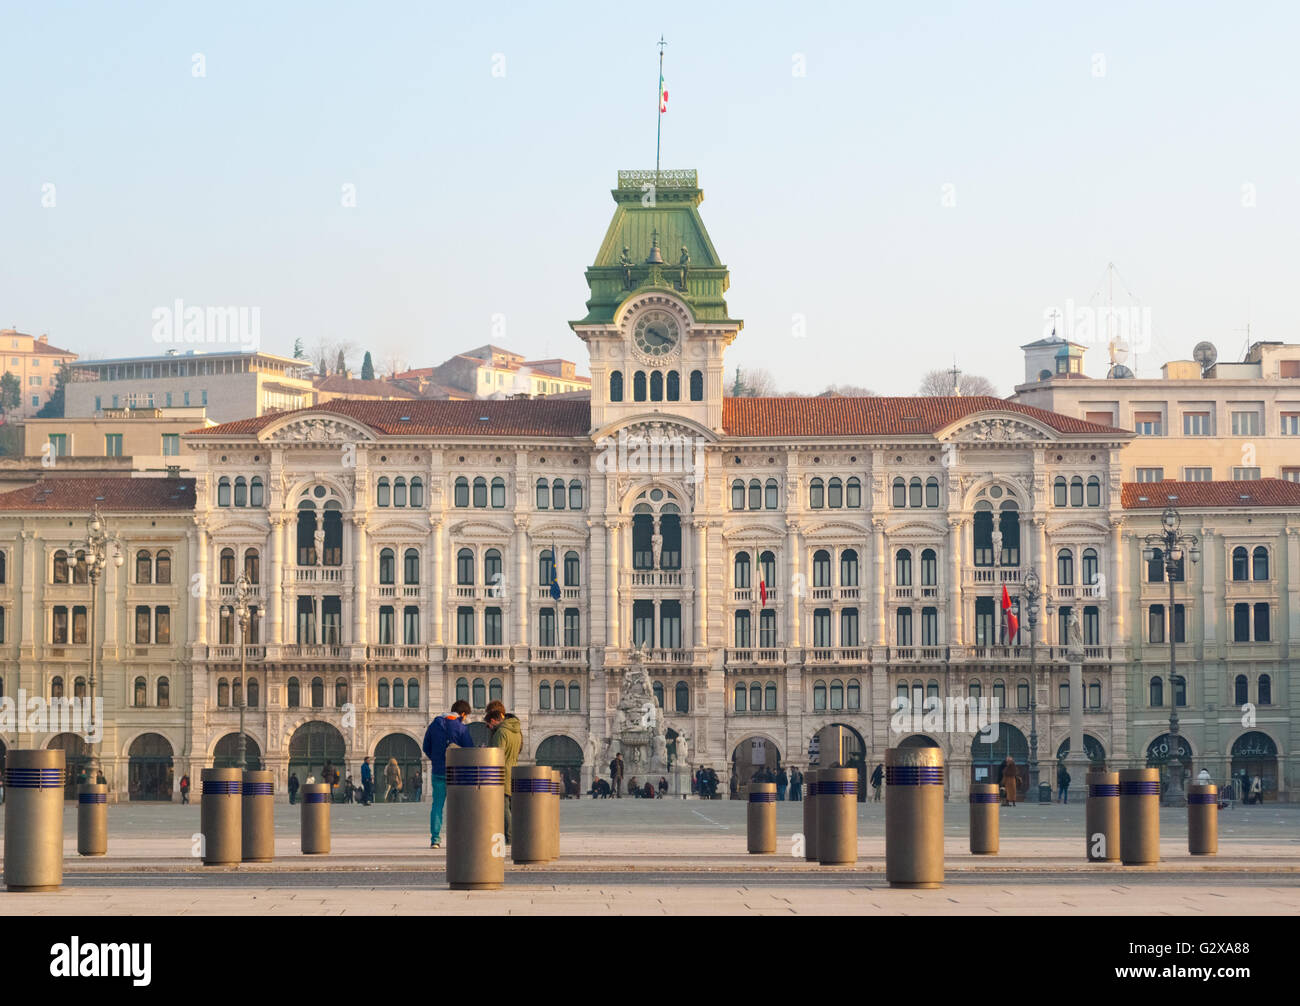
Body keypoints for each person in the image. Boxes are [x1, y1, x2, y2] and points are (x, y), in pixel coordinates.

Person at [422, 699, 474, 848]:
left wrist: (436, 759)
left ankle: (435, 840)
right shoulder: (461, 728)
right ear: (462, 714)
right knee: (458, 806)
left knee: (437, 805)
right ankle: (458, 838)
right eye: (466, 716)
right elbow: (469, 750)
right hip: (456, 773)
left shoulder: (434, 725)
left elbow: (426, 746)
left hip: (438, 771)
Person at [486, 700, 521, 843]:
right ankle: (514, 835)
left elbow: (496, 754)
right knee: (510, 806)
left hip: (502, 773)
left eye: (488, 724)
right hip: (513, 770)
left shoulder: (501, 732)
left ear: (494, 720)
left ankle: (509, 837)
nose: (488, 727)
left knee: (504, 806)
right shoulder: (517, 731)